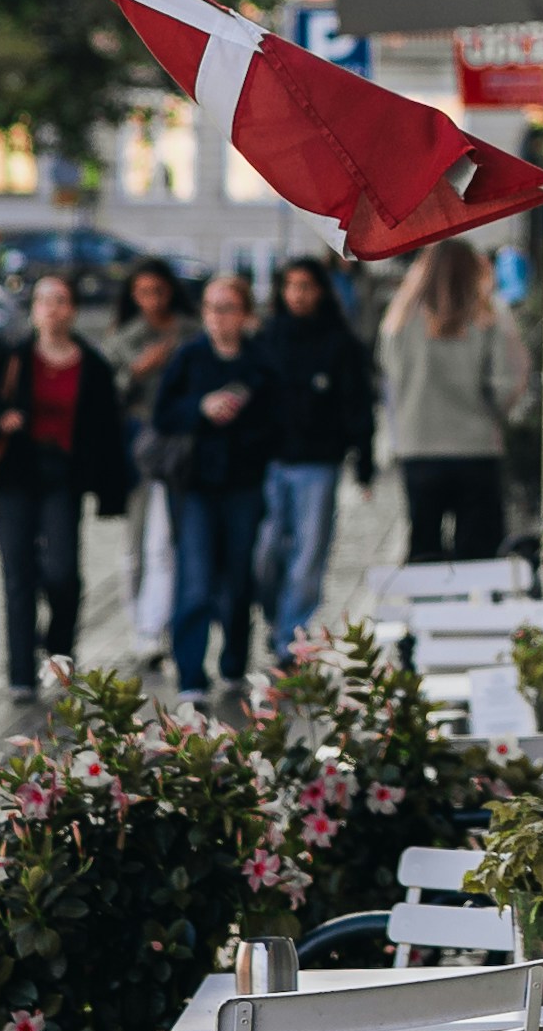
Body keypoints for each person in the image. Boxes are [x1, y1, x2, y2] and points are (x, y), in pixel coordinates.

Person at [0, 267, 133, 696]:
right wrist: (0, 420)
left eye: (60, 301)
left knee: (61, 575)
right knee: (18, 576)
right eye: (43, 301)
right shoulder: (15, 356)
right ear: (34, 311)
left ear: (72, 310)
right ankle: (21, 676)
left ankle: (59, 653)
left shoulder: (92, 365)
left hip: (64, 479)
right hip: (17, 476)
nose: (52, 310)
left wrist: (111, 490)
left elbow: (109, 431)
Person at [237, 255, 374, 656]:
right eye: (291, 286)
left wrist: (362, 458)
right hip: (270, 459)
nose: (298, 295)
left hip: (319, 461)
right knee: (265, 552)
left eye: (306, 286)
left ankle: (289, 637)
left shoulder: (339, 342)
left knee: (309, 553)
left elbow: (357, 404)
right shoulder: (266, 339)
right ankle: (274, 613)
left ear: (320, 292)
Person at [377, 231, 534, 569]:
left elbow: (388, 373)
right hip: (475, 447)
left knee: (424, 548)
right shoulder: (489, 316)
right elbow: (507, 383)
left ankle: (426, 619)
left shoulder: (399, 318)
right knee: (478, 554)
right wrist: (489, 412)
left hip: (417, 446)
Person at [148, 269, 266, 700]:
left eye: (227, 308)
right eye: (211, 308)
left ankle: (234, 663)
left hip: (244, 484)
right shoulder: (189, 357)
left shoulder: (258, 360)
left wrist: (243, 415)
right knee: (194, 579)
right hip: (195, 484)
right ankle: (191, 675)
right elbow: (162, 415)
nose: (217, 317)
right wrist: (202, 407)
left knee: (237, 582)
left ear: (245, 314)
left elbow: (277, 421)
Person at [116, 256, 190, 660]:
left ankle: (163, 621)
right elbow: (108, 393)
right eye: (144, 293)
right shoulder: (125, 338)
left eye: (159, 292)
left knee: (172, 541)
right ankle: (141, 624)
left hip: (181, 446)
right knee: (139, 540)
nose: (153, 301)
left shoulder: (188, 333)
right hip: (139, 445)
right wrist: (137, 372)